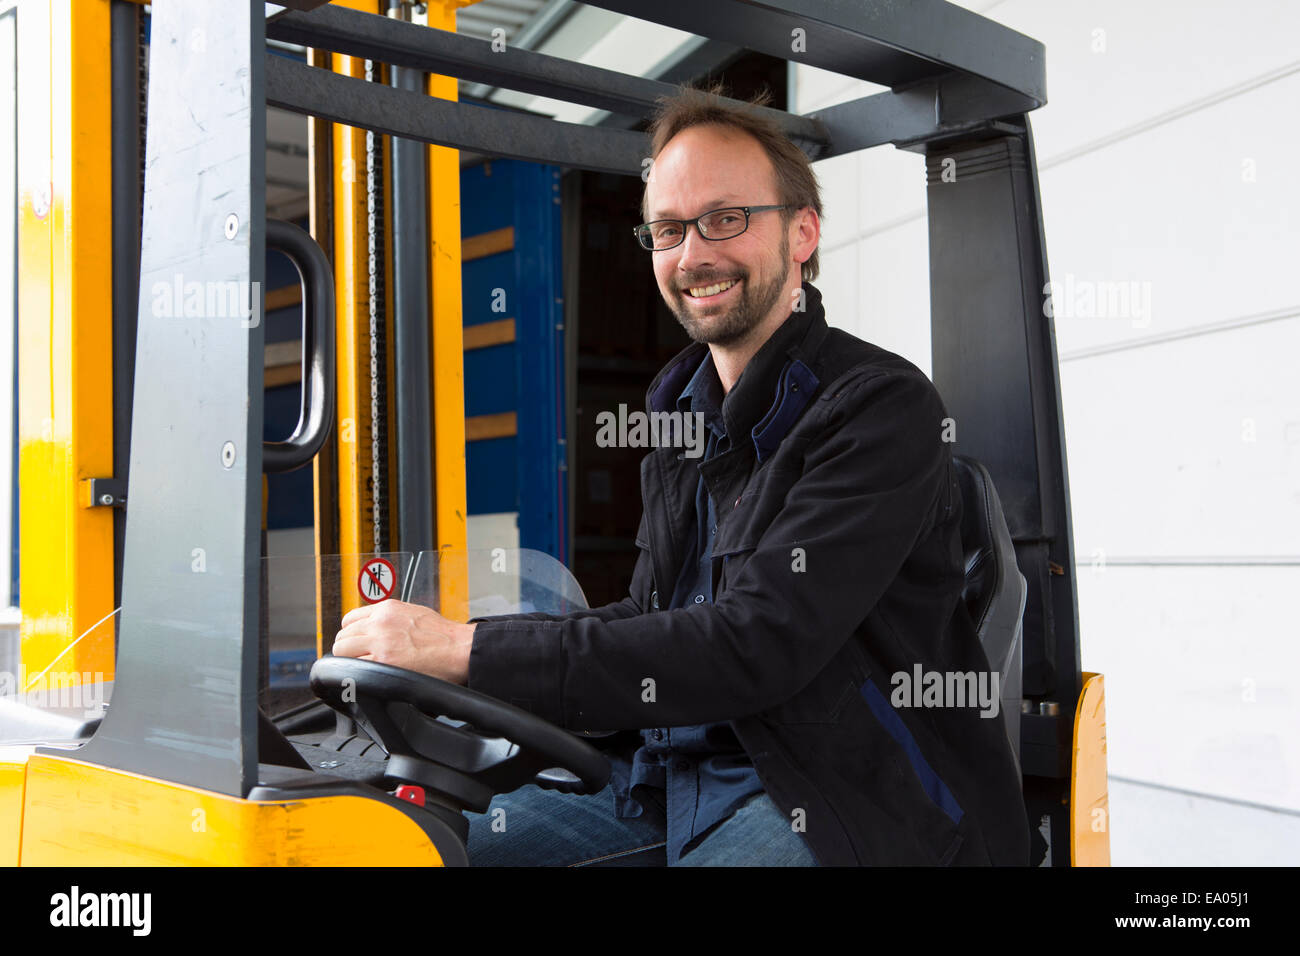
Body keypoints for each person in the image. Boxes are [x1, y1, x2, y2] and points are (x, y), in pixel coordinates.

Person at [332, 83, 1029, 867]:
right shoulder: (681, 409)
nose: (693, 254)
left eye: (725, 219)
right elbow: (647, 611)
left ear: (803, 232)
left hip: (836, 795)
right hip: (668, 776)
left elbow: (756, 643)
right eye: (668, 229)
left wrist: (466, 654)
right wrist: (457, 648)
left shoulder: (879, 408)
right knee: (417, 850)